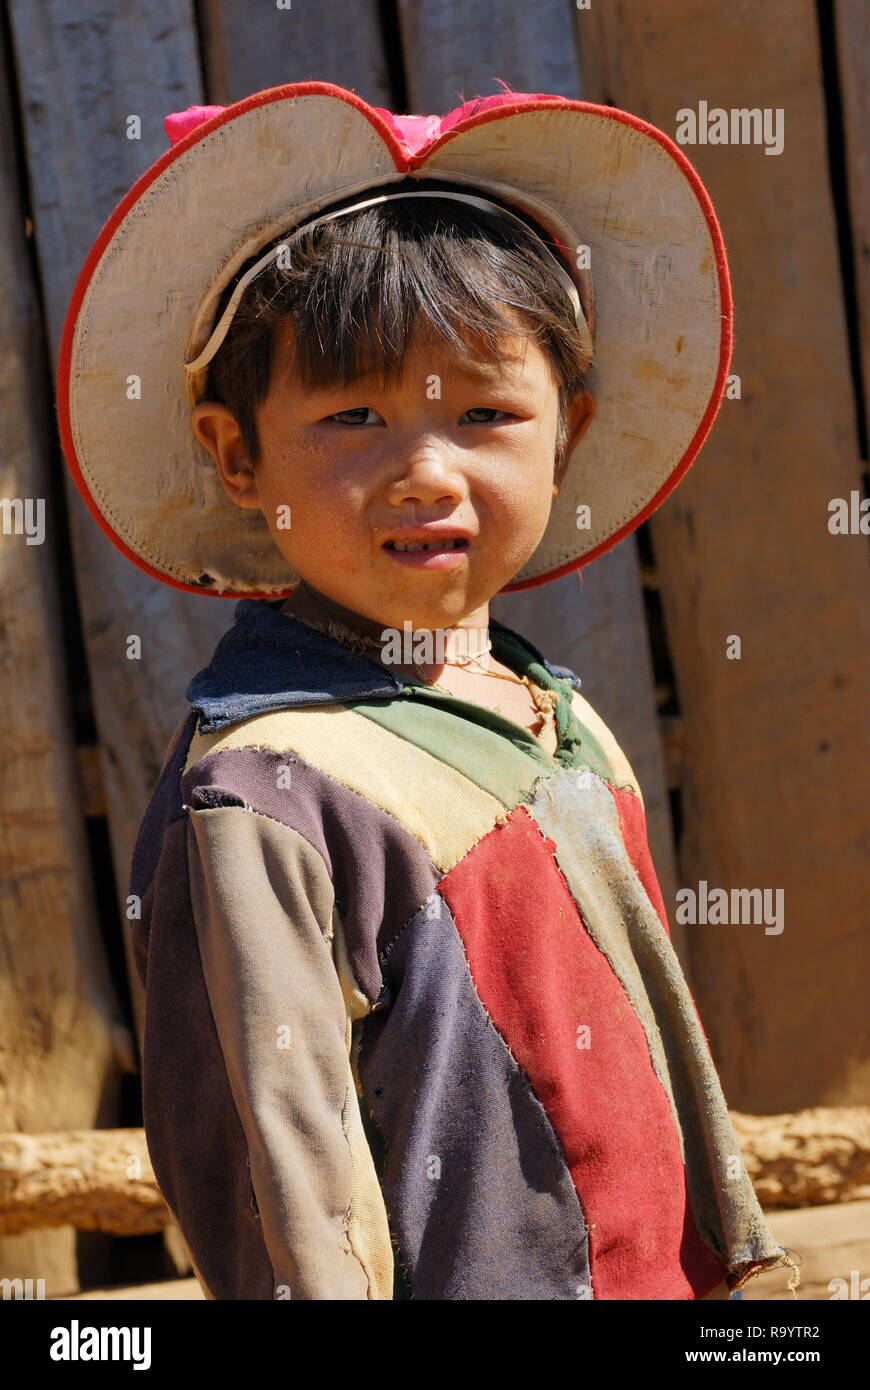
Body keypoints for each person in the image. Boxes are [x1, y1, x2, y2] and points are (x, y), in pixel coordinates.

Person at [57, 81, 799, 1301]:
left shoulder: (556, 714)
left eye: (488, 414)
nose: (425, 472)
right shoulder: (266, 793)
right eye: (355, 414)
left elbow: (664, 1053)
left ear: (571, 433)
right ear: (237, 454)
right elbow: (282, 1171)